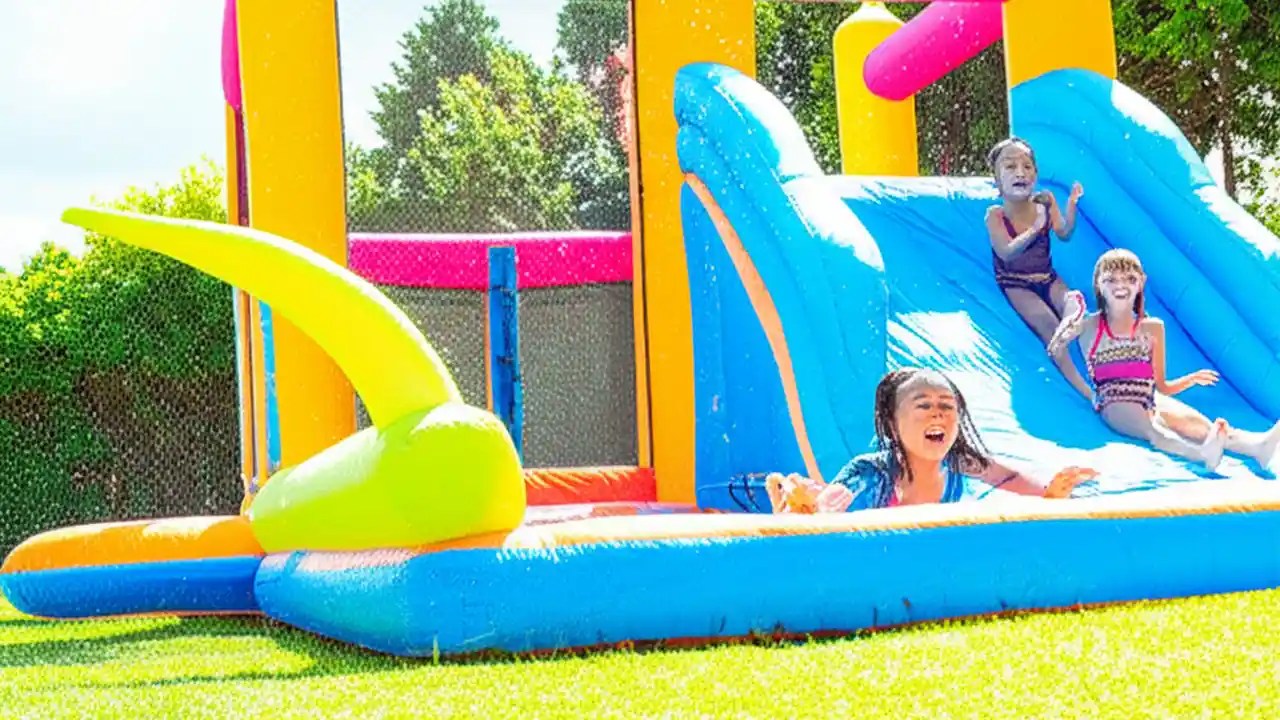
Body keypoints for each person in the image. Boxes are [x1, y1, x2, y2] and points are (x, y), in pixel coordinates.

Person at [1047, 248, 1280, 470]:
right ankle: (1202, 456)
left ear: (1141, 282)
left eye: (1129, 279)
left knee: (1201, 427)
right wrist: (1088, 393)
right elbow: (1057, 353)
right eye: (1111, 280)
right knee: (1155, 431)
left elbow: (1162, 387)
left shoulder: (1153, 328)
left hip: (1150, 398)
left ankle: (1255, 447)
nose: (1121, 286)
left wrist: (1191, 379)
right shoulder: (1090, 325)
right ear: (1098, 284)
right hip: (1114, 403)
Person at [764, 368, 1098, 514]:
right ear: (894, 427)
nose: (938, 416)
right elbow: (834, 514)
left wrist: (1049, 494)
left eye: (947, 407)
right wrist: (813, 506)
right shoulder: (872, 474)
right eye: (923, 407)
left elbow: (1007, 477)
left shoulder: (958, 462)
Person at [984, 137, 1092, 401]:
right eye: (1010, 167)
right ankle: (1085, 389)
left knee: (1074, 302)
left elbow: (1064, 233)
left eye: (1027, 166)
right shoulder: (995, 215)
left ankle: (1075, 324)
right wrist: (1035, 228)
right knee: (1048, 325)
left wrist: (1071, 206)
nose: (1020, 172)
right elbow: (1006, 252)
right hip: (1016, 282)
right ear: (996, 181)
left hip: (1047, 276)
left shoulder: (1044, 202)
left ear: (1035, 173)